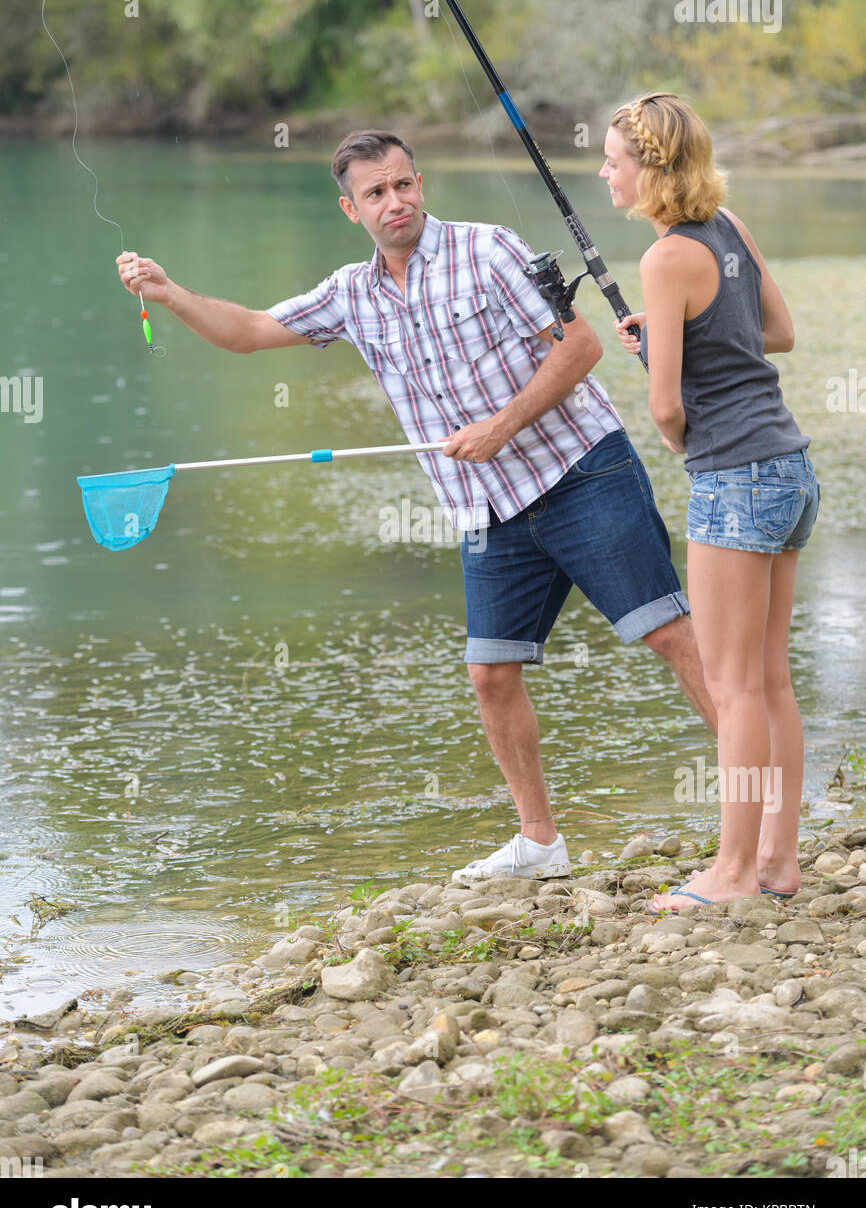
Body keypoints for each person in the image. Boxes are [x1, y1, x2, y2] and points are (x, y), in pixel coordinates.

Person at [116, 128, 716, 883]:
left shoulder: (487, 250)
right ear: (350, 209)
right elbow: (250, 332)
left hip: (580, 471)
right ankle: (541, 845)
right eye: (375, 193)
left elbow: (581, 347)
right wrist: (170, 294)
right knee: (491, 676)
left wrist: (501, 425)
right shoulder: (350, 295)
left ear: (420, 184)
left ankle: (762, 809)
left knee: (670, 636)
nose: (394, 202)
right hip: (488, 510)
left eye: (403, 185)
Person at [600, 93, 819, 910]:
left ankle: (730, 874)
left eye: (616, 160)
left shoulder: (664, 261)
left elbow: (664, 408)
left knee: (731, 689)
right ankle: (778, 861)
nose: (604, 170)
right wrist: (674, 334)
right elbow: (778, 331)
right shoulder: (728, 228)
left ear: (651, 168)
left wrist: (686, 442)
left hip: (737, 480)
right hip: (791, 468)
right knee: (769, 681)